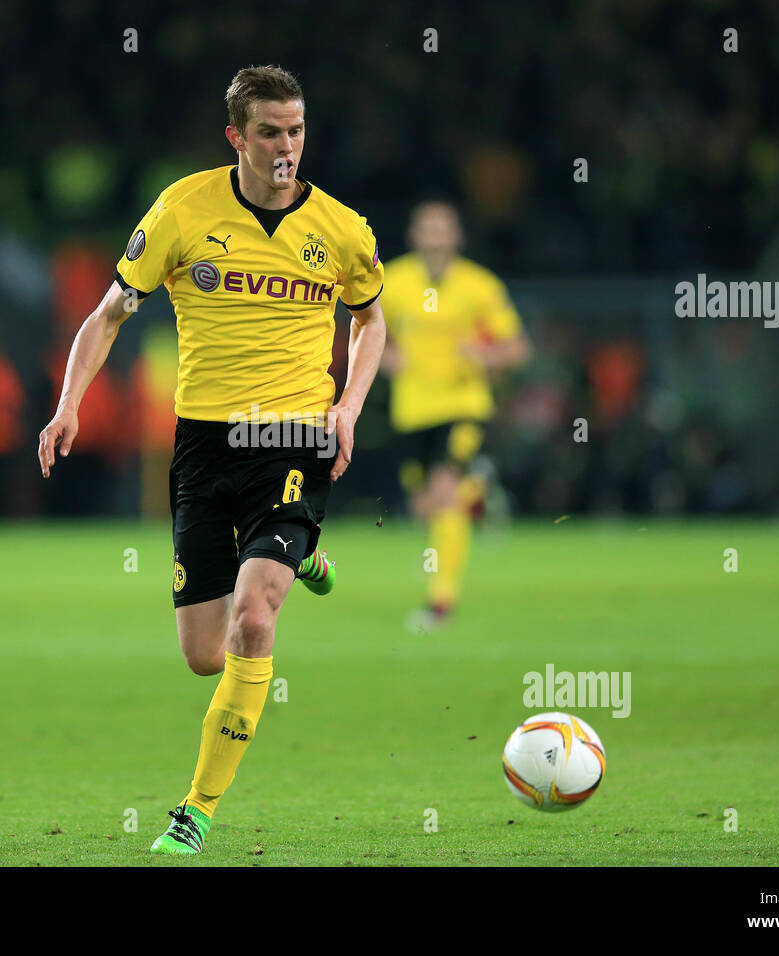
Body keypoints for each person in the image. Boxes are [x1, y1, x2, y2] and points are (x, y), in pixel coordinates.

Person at [37, 65, 386, 854]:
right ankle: (304, 555)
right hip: (204, 445)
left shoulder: (342, 230)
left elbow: (372, 323)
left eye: (296, 130)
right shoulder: (182, 211)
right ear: (236, 136)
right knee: (205, 654)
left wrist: (349, 406)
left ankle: (196, 809)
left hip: (294, 436)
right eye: (269, 132)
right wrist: (68, 405)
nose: (286, 146)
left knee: (254, 620)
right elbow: (109, 313)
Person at [380, 201, 530, 629]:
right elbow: (363, 327)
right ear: (415, 235)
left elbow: (518, 349)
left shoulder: (480, 286)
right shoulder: (392, 281)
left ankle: (441, 602)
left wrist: (485, 354)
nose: (435, 237)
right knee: (424, 505)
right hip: (411, 411)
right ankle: (478, 495)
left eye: (443, 229)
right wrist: (384, 355)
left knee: (445, 493)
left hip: (463, 406)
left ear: (457, 237)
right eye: (428, 228)